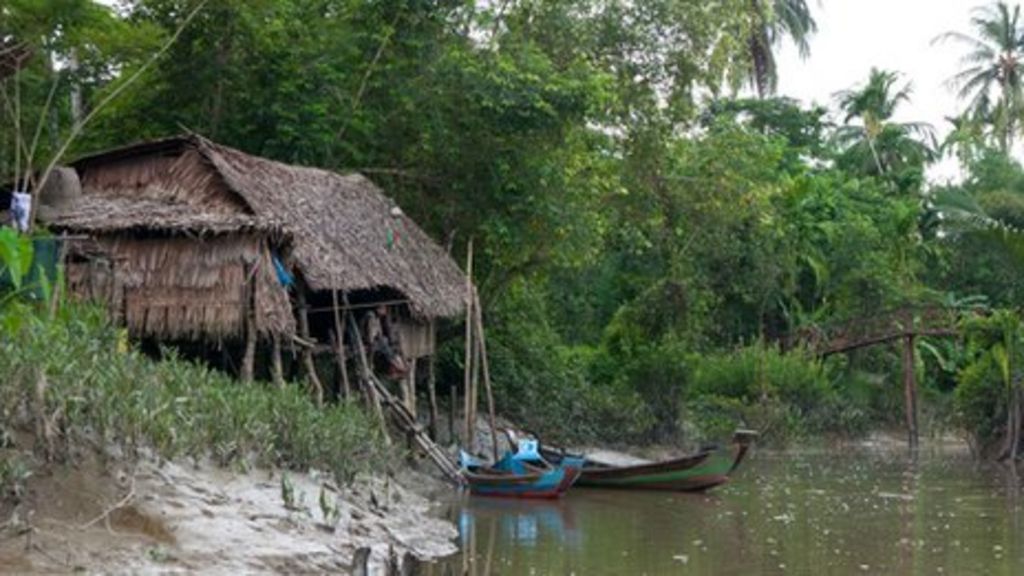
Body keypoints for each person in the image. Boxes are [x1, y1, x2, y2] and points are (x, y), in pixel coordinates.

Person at [363, 304, 408, 378]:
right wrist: (373, 340)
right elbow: (370, 333)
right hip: (369, 341)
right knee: (385, 345)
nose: (385, 311)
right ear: (378, 309)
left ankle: (396, 363)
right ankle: (396, 364)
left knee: (387, 344)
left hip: (376, 341)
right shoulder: (371, 316)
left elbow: (378, 332)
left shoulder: (377, 318)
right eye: (384, 309)